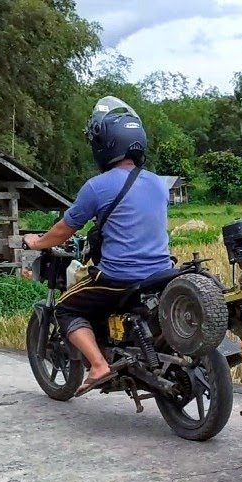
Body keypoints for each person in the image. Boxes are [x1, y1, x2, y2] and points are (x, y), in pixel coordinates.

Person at [24, 97, 173, 397]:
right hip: (161, 273)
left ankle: (98, 364)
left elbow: (65, 228)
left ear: (105, 144)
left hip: (119, 279)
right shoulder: (159, 183)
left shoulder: (97, 186)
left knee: (65, 308)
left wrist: (37, 242)